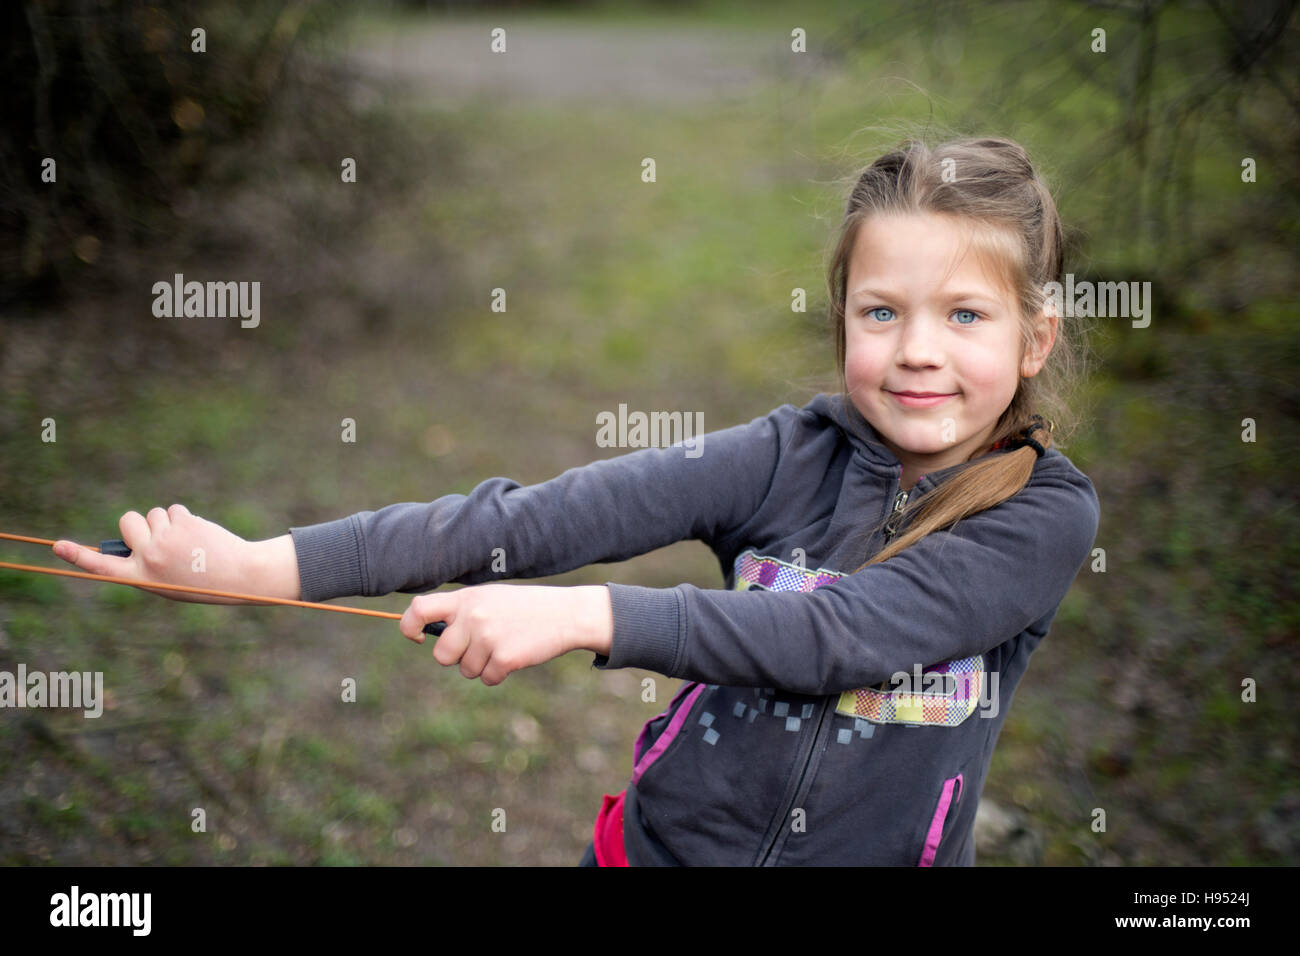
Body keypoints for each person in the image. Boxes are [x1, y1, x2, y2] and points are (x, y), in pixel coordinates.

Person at [53, 135, 1100, 866]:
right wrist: (251, 566)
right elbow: (523, 522)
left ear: (1033, 339)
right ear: (842, 322)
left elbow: (842, 633)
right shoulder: (787, 455)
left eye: (965, 314)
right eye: (883, 309)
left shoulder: (1042, 515)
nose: (918, 348)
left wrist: (580, 614)